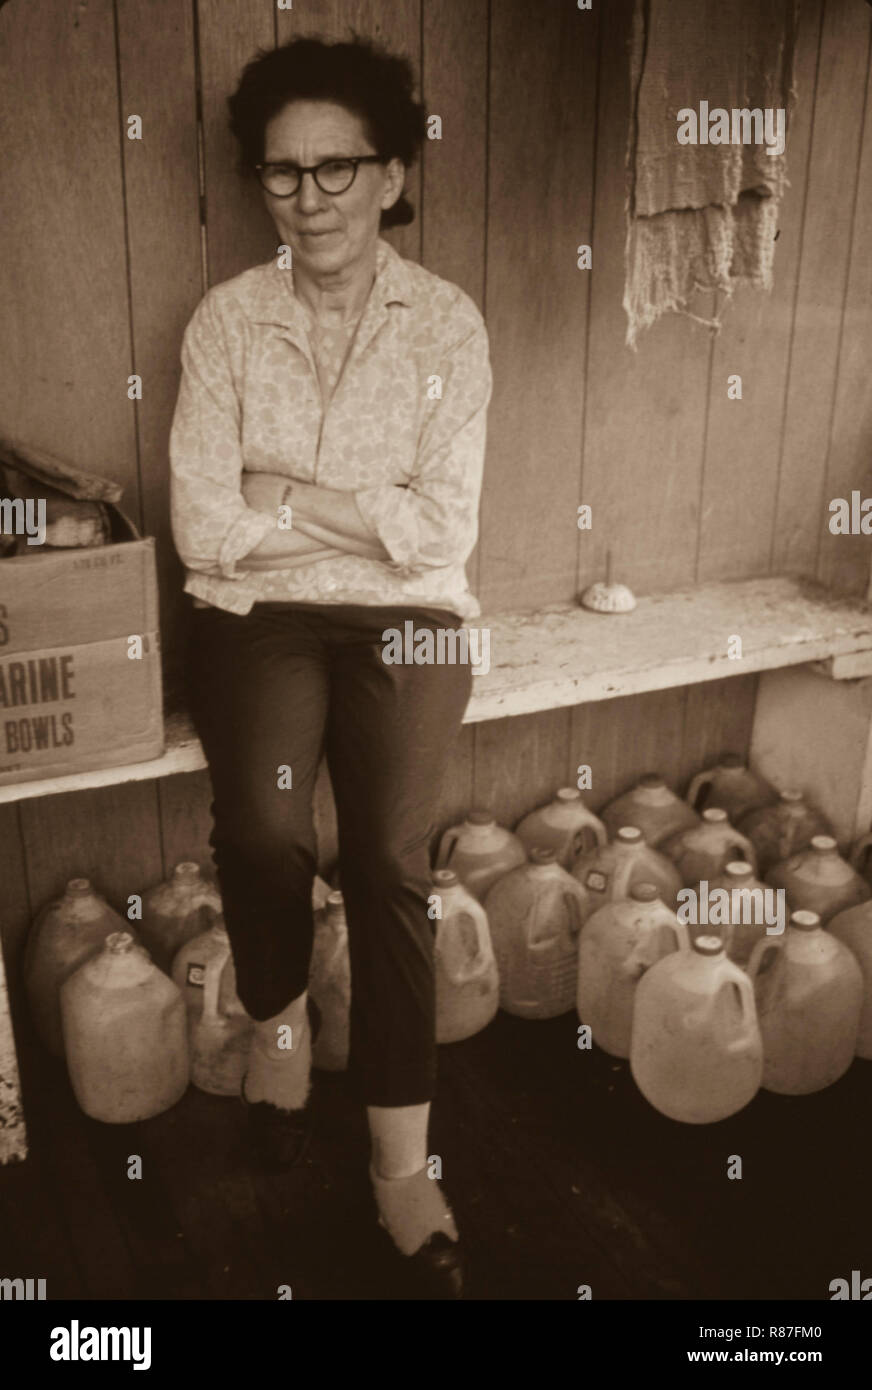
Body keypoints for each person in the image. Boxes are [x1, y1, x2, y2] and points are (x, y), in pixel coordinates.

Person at [169, 35, 492, 1298]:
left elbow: (441, 529)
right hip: (257, 611)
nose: (308, 199)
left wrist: (288, 491)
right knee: (260, 832)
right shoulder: (225, 322)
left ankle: (401, 1171)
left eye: (337, 169)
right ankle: (282, 1022)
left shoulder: (448, 325)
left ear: (394, 173)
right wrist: (358, 506)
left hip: (409, 614)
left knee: (388, 862)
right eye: (281, 175)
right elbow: (206, 520)